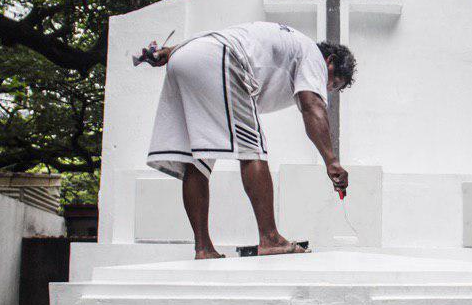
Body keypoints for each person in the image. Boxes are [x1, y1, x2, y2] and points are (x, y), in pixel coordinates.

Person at [140, 21, 354, 259]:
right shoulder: (313, 54)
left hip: (184, 57)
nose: (327, 88)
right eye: (333, 82)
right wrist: (331, 161)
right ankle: (270, 239)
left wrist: (171, 51)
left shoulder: (287, 42)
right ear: (329, 60)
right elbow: (312, 105)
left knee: (197, 159)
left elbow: (219, 37)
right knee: (252, 148)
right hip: (221, 59)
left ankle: (203, 248)